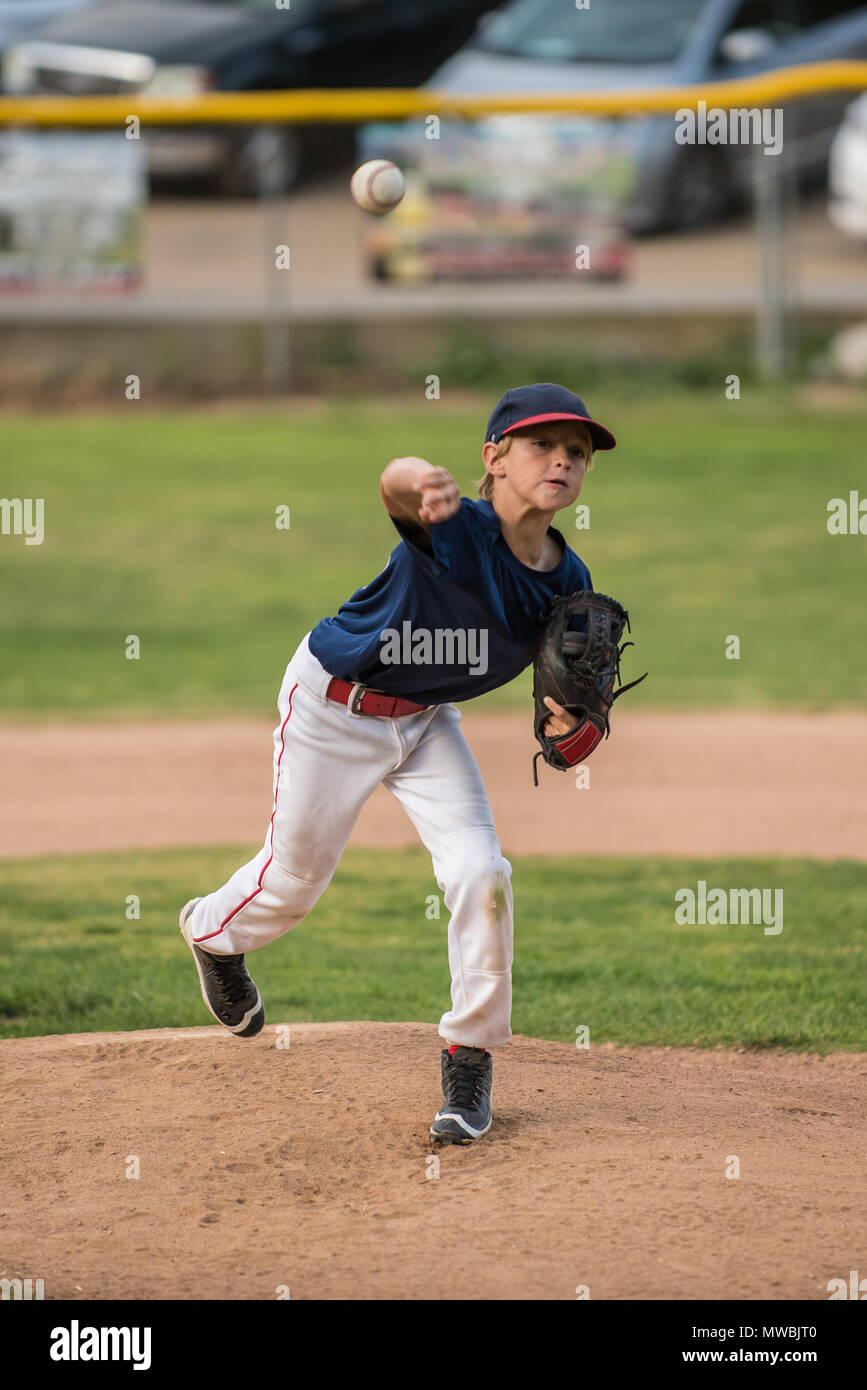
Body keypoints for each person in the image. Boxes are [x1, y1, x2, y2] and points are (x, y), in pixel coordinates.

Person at [179, 383, 616, 1144]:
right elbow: (396, 482)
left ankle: (469, 1056)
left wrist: (570, 725)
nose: (561, 460)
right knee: (291, 884)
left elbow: (562, 702)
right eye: (541, 445)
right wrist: (420, 476)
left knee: (482, 872)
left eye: (575, 452)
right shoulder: (457, 530)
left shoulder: (567, 580)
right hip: (332, 709)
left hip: (423, 723)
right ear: (494, 459)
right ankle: (215, 934)